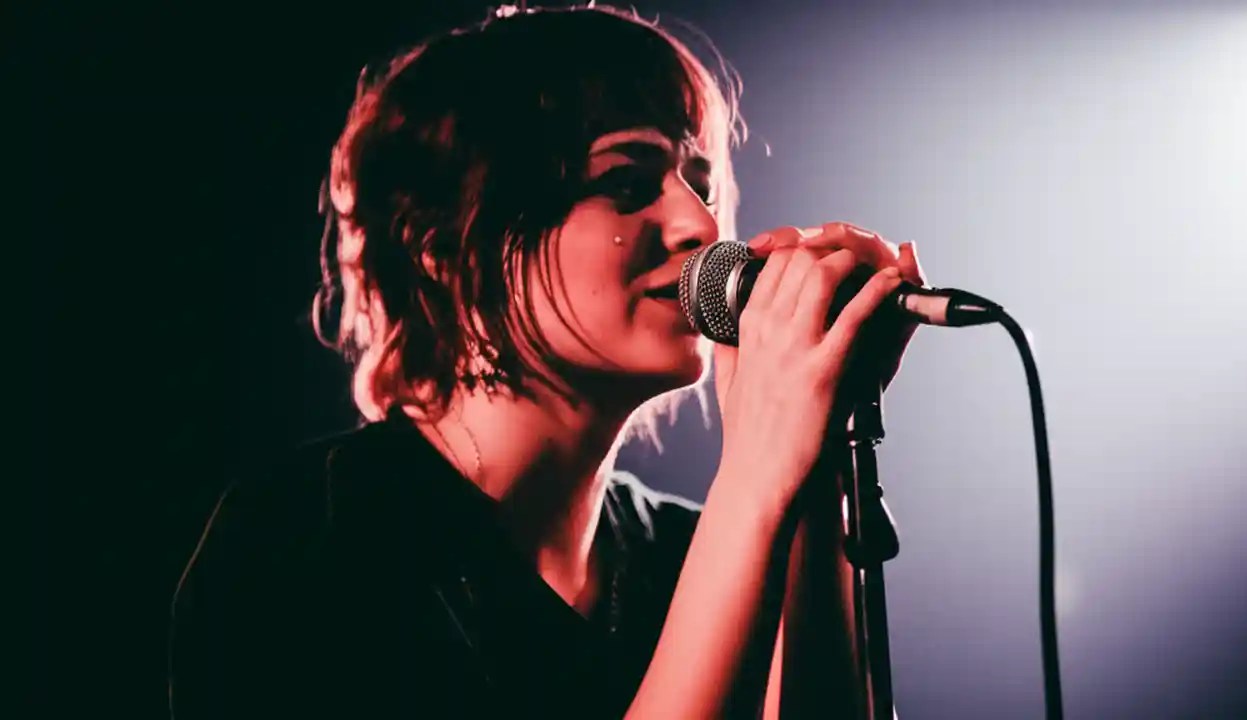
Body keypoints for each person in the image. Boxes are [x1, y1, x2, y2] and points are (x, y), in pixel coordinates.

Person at [168, 4, 927, 718]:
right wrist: (758, 476)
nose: (700, 225)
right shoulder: (306, 538)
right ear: (446, 249)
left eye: (701, 187)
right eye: (626, 184)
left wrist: (812, 468)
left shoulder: (690, 553)